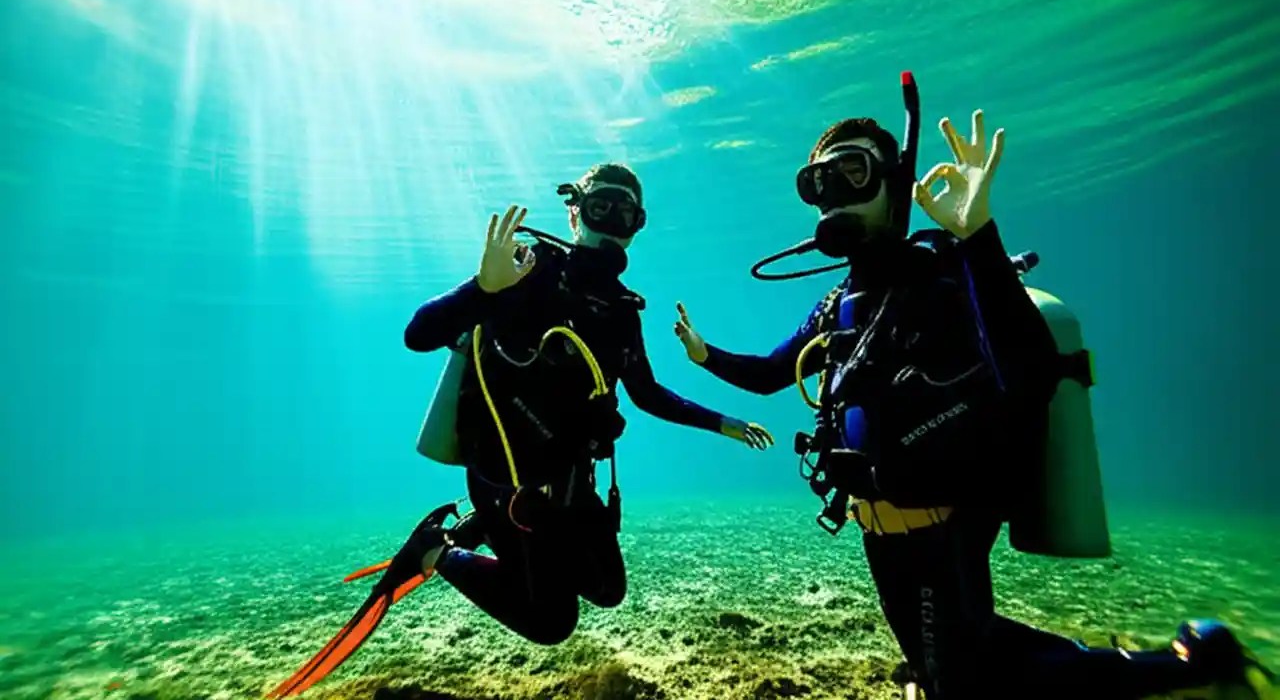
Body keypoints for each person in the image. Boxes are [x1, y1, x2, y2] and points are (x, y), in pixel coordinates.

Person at [672, 76, 1276, 699]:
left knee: (959, 678)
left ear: (897, 183)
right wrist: (702, 355)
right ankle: (1188, 663)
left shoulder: (941, 268)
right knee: (961, 657)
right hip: (878, 528)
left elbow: (1033, 369)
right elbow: (773, 372)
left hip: (942, 527)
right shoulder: (840, 303)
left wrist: (977, 233)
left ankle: (1193, 669)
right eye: (816, 182)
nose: (831, 195)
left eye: (852, 173)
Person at [267, 162, 775, 698]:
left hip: (572, 481)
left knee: (607, 590)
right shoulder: (525, 272)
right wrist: (484, 290)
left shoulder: (623, 313)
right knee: (551, 622)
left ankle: (481, 535)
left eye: (627, 213)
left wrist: (724, 423)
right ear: (574, 211)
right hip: (506, 482)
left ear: (637, 225)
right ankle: (434, 550)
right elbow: (418, 334)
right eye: (601, 205)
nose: (613, 221)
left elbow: (647, 395)